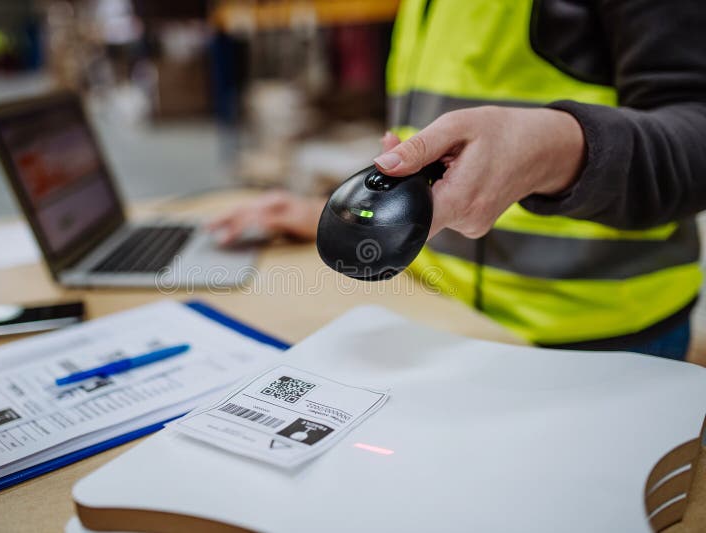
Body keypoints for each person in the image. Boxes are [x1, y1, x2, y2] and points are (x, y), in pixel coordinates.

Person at [209, 0, 706, 360]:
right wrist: (346, 204)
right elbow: (436, 128)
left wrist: (557, 151)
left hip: (592, 338)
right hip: (437, 312)